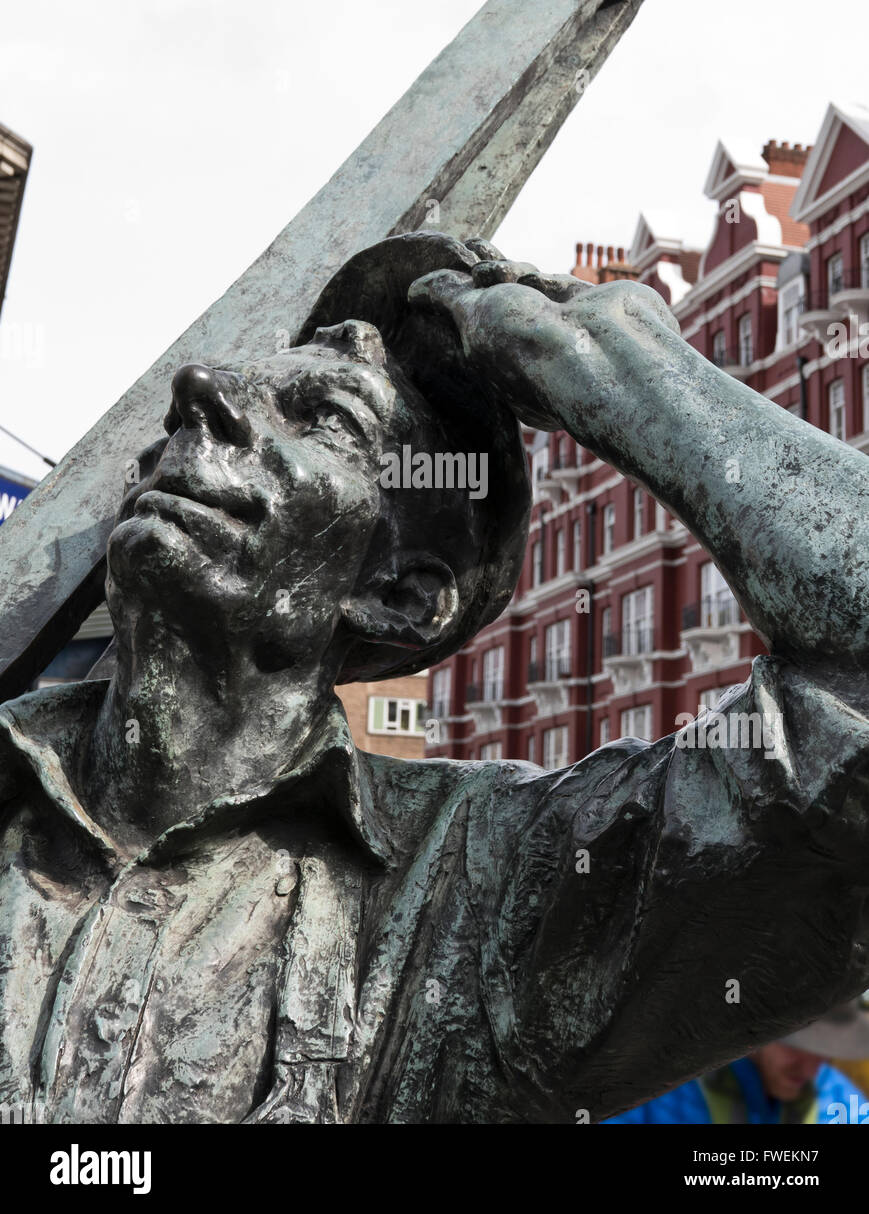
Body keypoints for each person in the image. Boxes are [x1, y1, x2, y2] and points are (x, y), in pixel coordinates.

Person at [3, 230, 869, 1124]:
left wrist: (638, 380)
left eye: (326, 419)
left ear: (400, 596)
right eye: (206, 402)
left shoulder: (476, 893)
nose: (202, 394)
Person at [604, 999, 869, 1124]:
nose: (811, 1070)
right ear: (759, 1029)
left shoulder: (842, 1102)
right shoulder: (654, 1094)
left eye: (824, 1053)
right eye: (799, 1048)